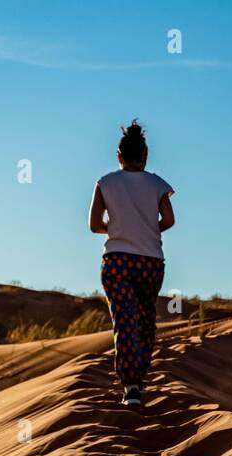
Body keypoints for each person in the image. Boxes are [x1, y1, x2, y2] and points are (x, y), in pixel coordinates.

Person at [88, 119, 176, 408]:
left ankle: (132, 386)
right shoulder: (158, 184)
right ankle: (140, 376)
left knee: (124, 320)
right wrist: (147, 230)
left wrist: (116, 229)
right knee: (145, 319)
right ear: (146, 156)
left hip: (116, 260)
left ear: (119, 156)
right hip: (151, 261)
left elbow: (93, 224)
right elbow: (170, 220)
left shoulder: (105, 182)